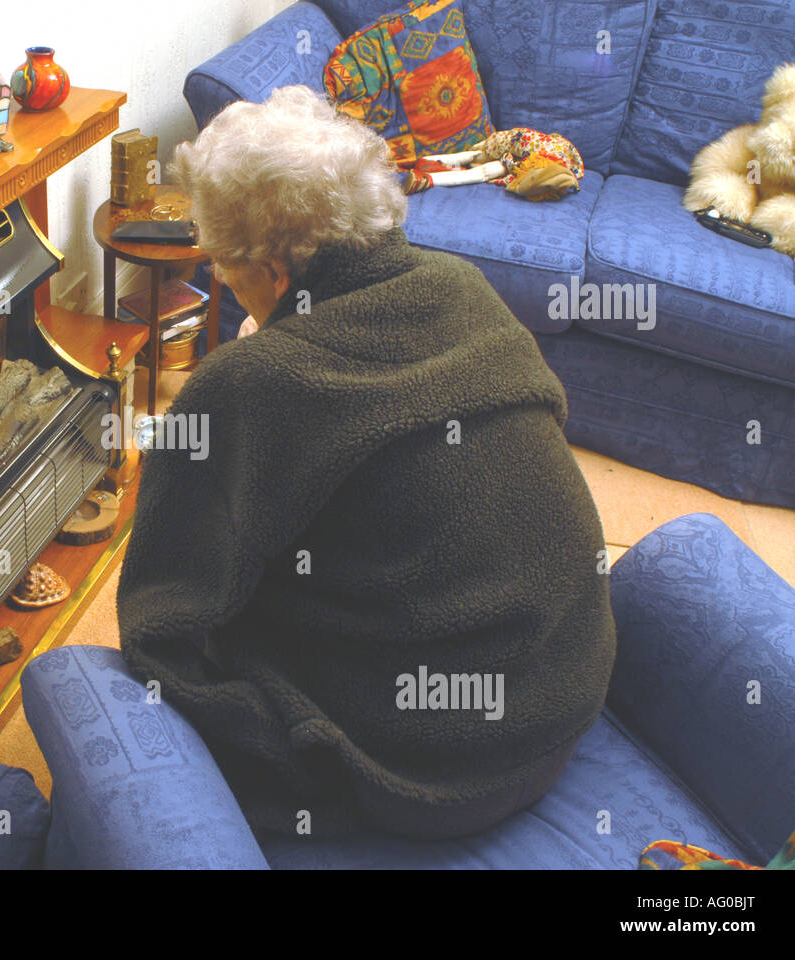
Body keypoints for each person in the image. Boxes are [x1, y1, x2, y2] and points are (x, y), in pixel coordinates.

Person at [116, 85, 616, 840]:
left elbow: (164, 614)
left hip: (432, 769)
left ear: (277, 272)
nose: (220, 279)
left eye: (224, 262)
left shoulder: (248, 385)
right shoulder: (465, 286)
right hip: (562, 696)